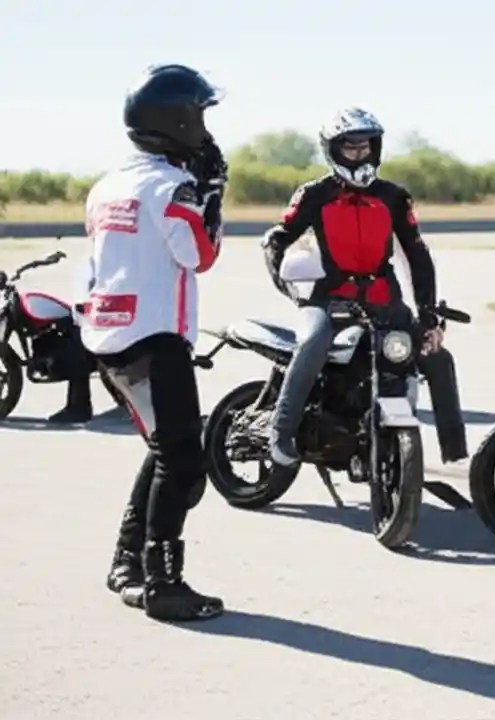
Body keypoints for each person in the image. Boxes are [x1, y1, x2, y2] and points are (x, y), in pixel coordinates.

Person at [85, 63, 227, 620]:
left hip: (108, 336)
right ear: (178, 121)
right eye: (201, 115)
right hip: (156, 340)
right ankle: (164, 584)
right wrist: (211, 194)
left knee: (167, 451)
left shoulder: (107, 185)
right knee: (185, 465)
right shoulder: (172, 187)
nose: (207, 127)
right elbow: (202, 255)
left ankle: (127, 562)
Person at [260, 107, 439, 483]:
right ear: (333, 151)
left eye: (366, 146)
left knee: (419, 350)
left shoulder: (394, 197)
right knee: (313, 340)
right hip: (329, 296)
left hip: (381, 296)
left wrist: (428, 314)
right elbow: (277, 239)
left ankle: (406, 436)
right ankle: (281, 431)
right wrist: (287, 284)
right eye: (350, 147)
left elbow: (418, 255)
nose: (360, 154)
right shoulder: (314, 194)